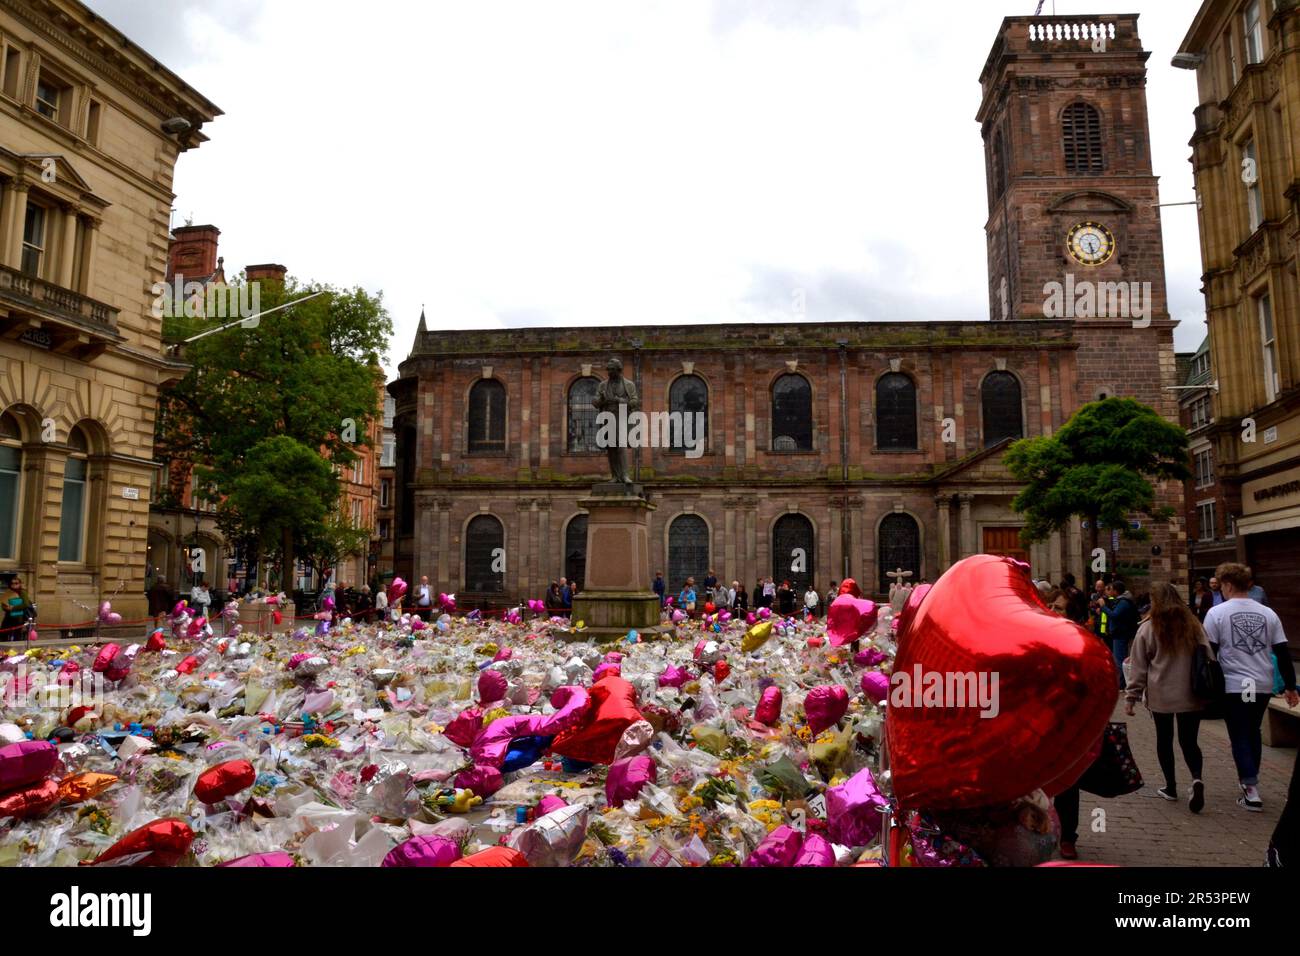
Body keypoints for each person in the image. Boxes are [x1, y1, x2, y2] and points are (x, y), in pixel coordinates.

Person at [1202, 562, 1298, 812]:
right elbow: (1282, 652)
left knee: (1239, 733)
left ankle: (1250, 786)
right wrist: (1290, 686)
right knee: (1251, 729)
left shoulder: (1217, 613)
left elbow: (1209, 652)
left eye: (1221, 585)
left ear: (1228, 585)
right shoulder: (1268, 614)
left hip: (1235, 682)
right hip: (1262, 682)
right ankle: (1250, 779)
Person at [1124, 583, 1211, 813]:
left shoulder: (1148, 628)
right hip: (1191, 693)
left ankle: (1171, 787)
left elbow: (1139, 666)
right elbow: (1209, 656)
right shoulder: (1194, 625)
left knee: (1164, 740)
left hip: (1161, 693)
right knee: (1189, 740)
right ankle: (1196, 778)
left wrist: (1131, 696)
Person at [1043, 588, 1084, 858]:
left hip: (1071, 721)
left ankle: (1068, 836)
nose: (1054, 612)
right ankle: (1041, 829)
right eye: (1053, 607)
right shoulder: (1044, 635)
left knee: (1069, 782)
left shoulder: (1083, 642)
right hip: (1044, 719)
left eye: (1060, 608)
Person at [1105, 578, 1138, 690]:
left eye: (1112, 589)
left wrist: (1103, 607)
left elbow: (1115, 615)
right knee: (1119, 658)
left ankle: (1122, 684)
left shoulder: (1123, 602)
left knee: (1120, 660)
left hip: (1120, 633)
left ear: (1116, 591)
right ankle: (1122, 683)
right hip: (1119, 633)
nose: (1110, 591)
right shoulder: (1121, 600)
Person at [1, 576, 33, 642]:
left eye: (16, 583)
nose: (14, 585)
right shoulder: (8, 592)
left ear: (20, 584)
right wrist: (5, 607)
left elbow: (25, 604)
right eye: (12, 583)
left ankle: (15, 649)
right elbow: (4, 603)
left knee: (16, 635)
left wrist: (13, 608)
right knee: (3, 633)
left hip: (18, 617)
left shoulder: (22, 592)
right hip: (8, 616)